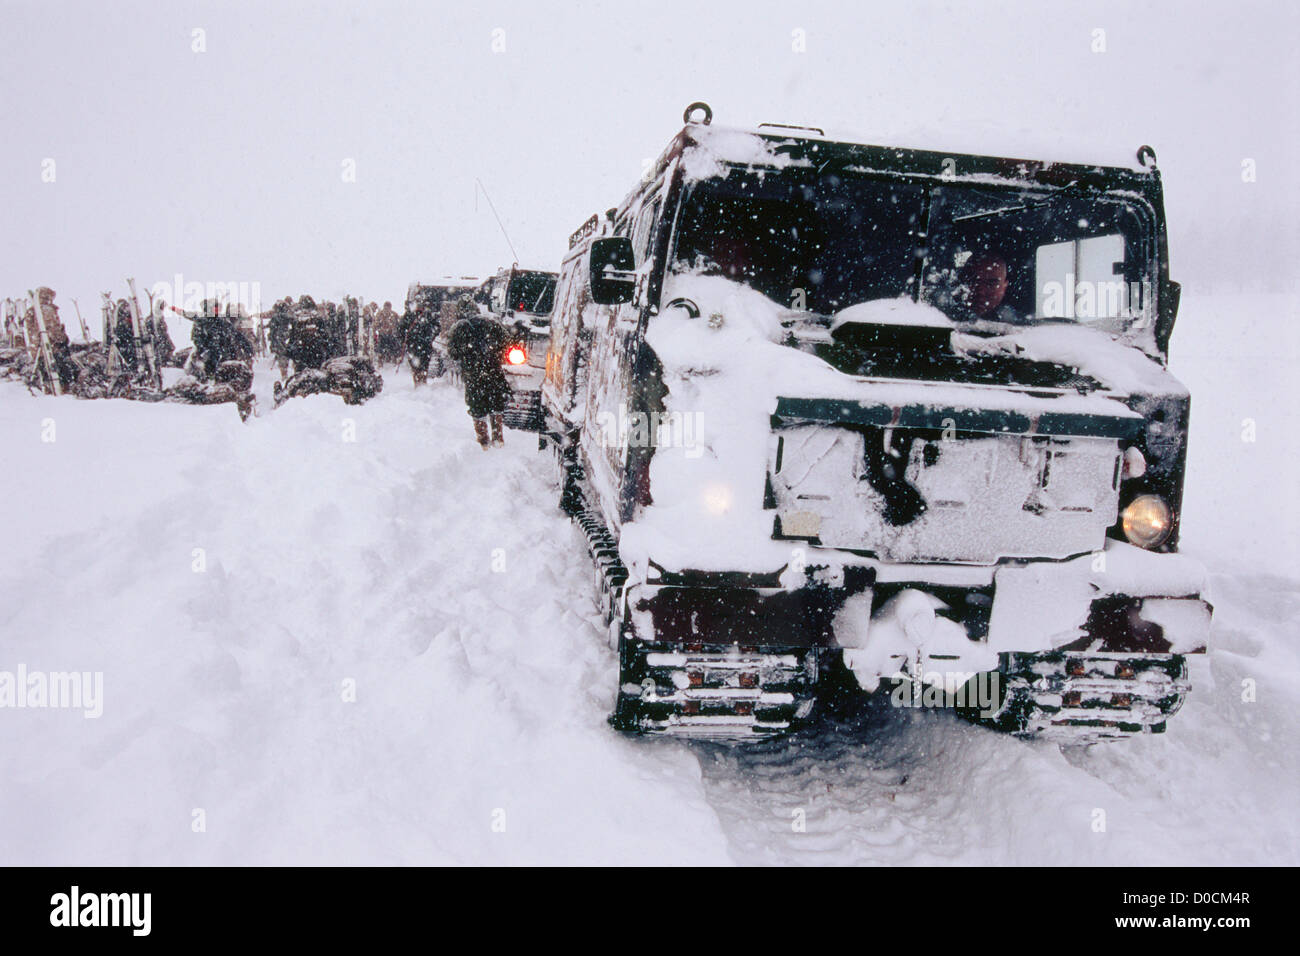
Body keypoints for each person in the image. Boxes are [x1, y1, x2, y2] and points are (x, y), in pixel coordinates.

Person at [447, 297, 510, 448]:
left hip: (473, 374)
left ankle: (483, 441)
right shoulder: (492, 322)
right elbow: (507, 341)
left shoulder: (458, 327)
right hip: (493, 371)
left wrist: (467, 353)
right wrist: (495, 354)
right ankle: (498, 438)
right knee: (496, 404)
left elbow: (453, 353)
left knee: (477, 407)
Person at [24, 287, 76, 392]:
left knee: (45, 371)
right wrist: (63, 339)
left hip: (39, 348)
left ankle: (48, 387)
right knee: (63, 370)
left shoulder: (33, 310)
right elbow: (52, 330)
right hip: (51, 349)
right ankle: (63, 389)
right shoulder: (46, 310)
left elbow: (31, 331)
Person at [956, 252, 1021, 323]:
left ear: (1004, 286)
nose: (981, 291)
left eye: (991, 284)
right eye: (973, 281)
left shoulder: (1021, 327)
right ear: (963, 282)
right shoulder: (945, 318)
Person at [402, 300, 440, 386]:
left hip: (419, 345)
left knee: (420, 366)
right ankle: (420, 382)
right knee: (420, 366)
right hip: (420, 345)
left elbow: (401, 329)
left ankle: (420, 382)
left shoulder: (412, 315)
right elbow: (436, 327)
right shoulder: (424, 315)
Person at [268, 297, 293, 379]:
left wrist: (272, 339)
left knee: (281, 355)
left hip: (279, 337)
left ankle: (284, 374)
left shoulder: (275, 317)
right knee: (287, 353)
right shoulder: (289, 316)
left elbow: (272, 328)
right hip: (287, 335)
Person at [374, 300, 401, 365]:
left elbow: (399, 323)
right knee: (383, 350)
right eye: (386, 307)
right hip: (385, 335)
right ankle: (382, 363)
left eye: (388, 307)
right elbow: (376, 324)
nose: (387, 308)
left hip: (390, 335)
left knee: (391, 349)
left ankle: (389, 362)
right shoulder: (381, 314)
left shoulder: (394, 314)